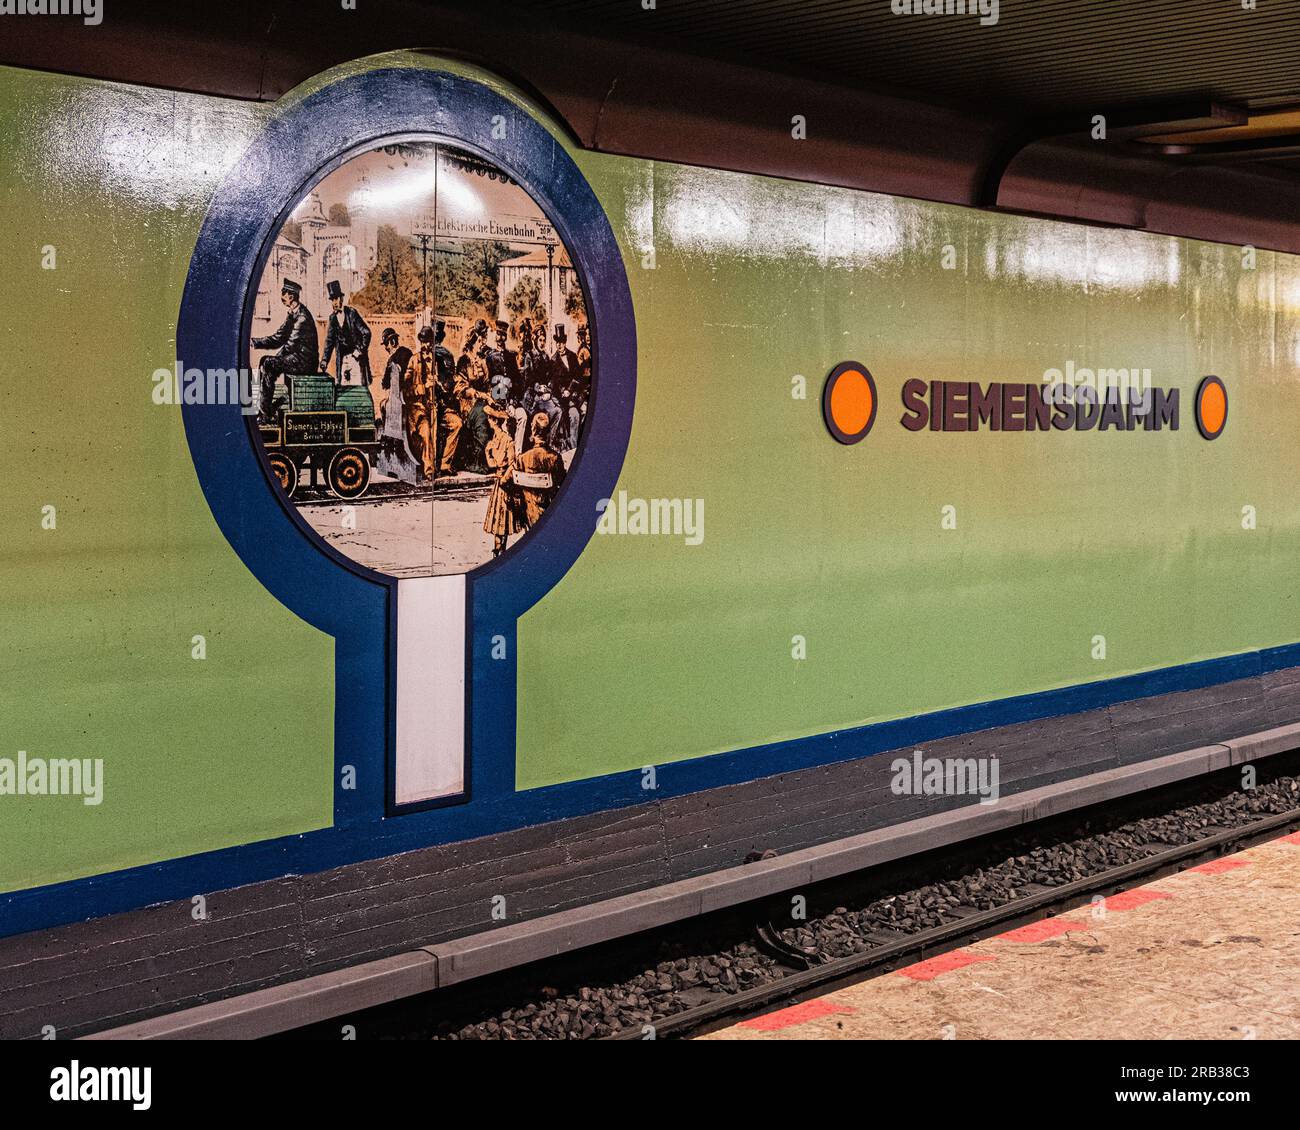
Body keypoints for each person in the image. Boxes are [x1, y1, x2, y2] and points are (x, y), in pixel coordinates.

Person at [251, 278, 319, 424]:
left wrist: (274, 361)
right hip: (297, 357)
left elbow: (290, 345)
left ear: (291, 296)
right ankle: (266, 409)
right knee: (266, 362)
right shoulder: (293, 314)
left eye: (284, 293)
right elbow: (279, 337)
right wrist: (255, 342)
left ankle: (265, 414)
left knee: (268, 363)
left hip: (305, 362)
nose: (282, 297)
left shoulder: (302, 317)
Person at [376, 327, 420, 485]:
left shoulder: (392, 360)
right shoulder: (408, 353)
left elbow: (384, 383)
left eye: (386, 345)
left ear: (391, 342)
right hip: (408, 397)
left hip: (401, 401)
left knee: (383, 407)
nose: (386, 348)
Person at [321, 280, 373, 386]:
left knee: (358, 389)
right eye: (332, 300)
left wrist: (359, 351)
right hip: (343, 360)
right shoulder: (332, 318)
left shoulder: (352, 313)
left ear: (341, 299)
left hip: (356, 360)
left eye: (336, 299)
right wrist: (325, 360)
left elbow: (366, 333)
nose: (334, 303)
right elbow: (329, 341)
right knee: (343, 390)